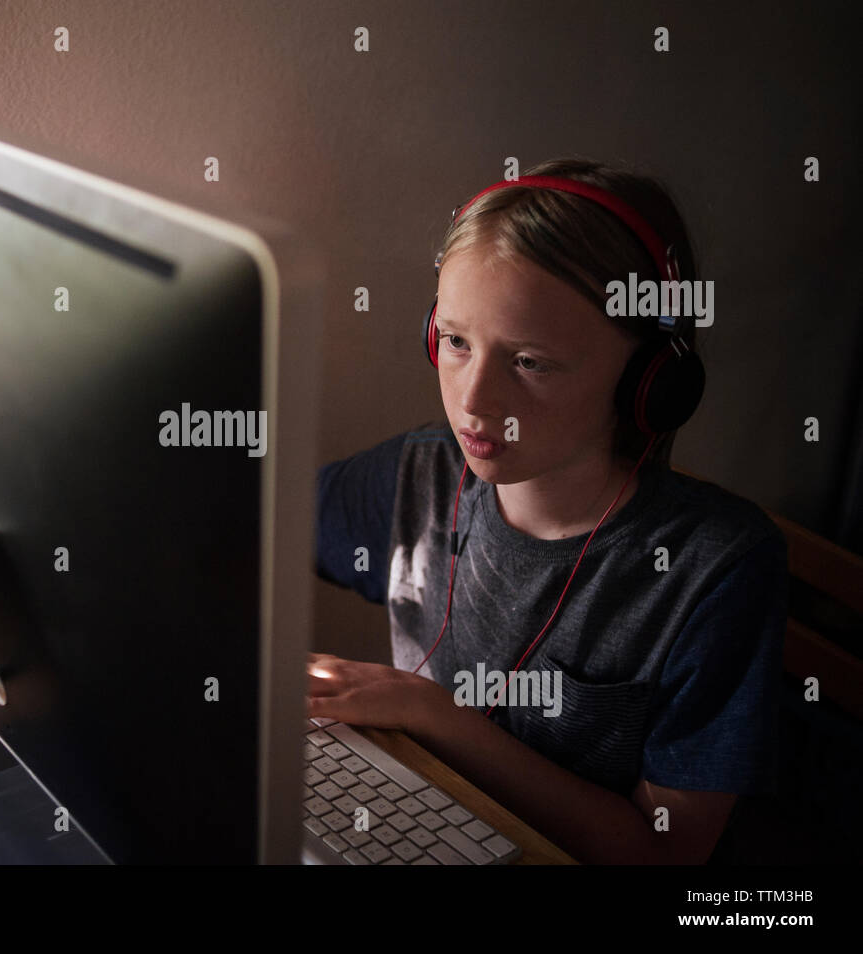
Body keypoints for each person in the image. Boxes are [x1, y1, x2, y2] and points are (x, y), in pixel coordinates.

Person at [310, 157, 788, 865]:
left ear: (647, 382)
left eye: (529, 361)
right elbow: (238, 520)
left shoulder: (714, 570)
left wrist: (432, 714)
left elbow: (663, 852)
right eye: (456, 341)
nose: (473, 400)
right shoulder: (420, 472)